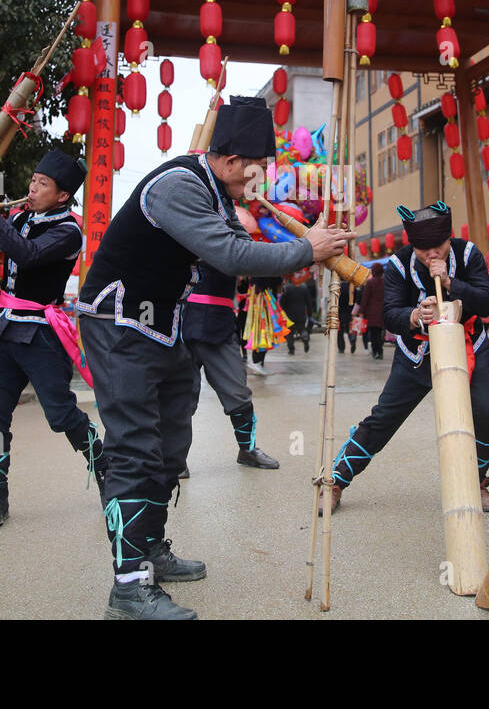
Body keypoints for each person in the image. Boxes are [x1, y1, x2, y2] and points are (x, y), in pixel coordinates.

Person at [76, 96, 354, 619]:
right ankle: (128, 586)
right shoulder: (178, 186)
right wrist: (305, 249)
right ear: (228, 161)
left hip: (164, 326)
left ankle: (151, 548)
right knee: (135, 447)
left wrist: (310, 241)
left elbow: (243, 254)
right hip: (117, 322)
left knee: (171, 440)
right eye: (257, 167)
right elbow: (231, 255)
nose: (260, 178)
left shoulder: (218, 196)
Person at [0, 151, 102, 529]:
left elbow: (29, 254)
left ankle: (107, 469)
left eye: (42, 184)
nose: (32, 188)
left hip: (40, 333)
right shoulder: (19, 218)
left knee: (61, 414)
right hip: (4, 330)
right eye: (33, 180)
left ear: (63, 195)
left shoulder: (69, 231)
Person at [327, 202, 489, 513]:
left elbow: (486, 303)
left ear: (450, 239)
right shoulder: (398, 264)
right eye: (423, 249)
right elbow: (389, 314)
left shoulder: (467, 254)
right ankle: (337, 480)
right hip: (417, 356)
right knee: (383, 418)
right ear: (412, 244)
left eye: (438, 246)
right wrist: (414, 316)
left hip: (468, 348)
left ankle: (477, 481)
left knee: (487, 415)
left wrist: (450, 284)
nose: (431, 254)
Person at [182, 261, 281, 471]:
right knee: (179, 396)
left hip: (219, 322)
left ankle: (247, 449)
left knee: (237, 390)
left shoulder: (233, 230)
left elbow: (252, 260)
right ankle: (174, 459)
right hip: (181, 319)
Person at [359, 262, 386, 359]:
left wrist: (362, 311)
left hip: (371, 312)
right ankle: (380, 351)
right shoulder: (385, 282)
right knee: (379, 332)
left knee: (373, 334)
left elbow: (365, 298)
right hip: (382, 311)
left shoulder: (370, 283)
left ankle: (375, 352)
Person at [280, 274, 311, 355]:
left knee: (289, 333)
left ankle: (291, 349)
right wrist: (310, 314)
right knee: (302, 329)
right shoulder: (304, 287)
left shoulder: (286, 288)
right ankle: (305, 339)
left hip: (289, 315)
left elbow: (282, 303)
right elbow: (308, 303)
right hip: (301, 313)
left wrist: (282, 313)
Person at [336, 278, 357, 353]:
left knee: (340, 332)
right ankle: (352, 339)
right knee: (350, 329)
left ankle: (341, 348)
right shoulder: (352, 288)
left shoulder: (337, 289)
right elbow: (357, 300)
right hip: (350, 312)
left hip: (339, 313)